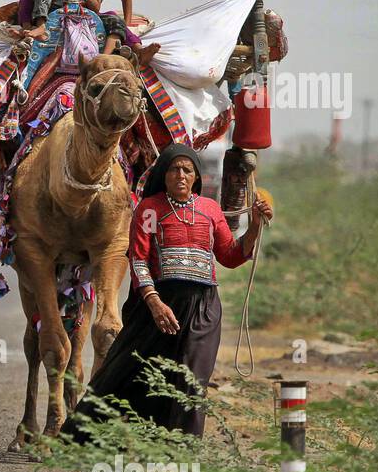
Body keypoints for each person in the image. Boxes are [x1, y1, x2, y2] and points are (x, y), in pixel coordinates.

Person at [72, 143, 273, 438]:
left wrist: (254, 226)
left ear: (196, 177)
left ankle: (183, 456)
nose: (180, 174)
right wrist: (154, 303)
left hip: (203, 309)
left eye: (187, 169)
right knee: (139, 376)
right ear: (164, 175)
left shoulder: (210, 210)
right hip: (159, 309)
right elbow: (138, 260)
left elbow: (230, 255)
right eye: (174, 169)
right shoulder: (149, 209)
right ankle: (109, 438)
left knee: (192, 382)